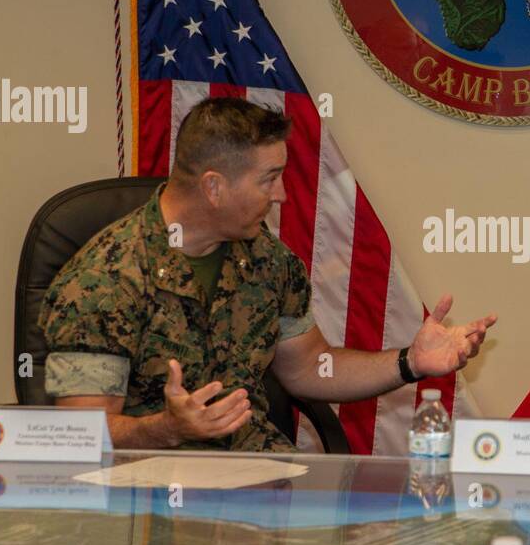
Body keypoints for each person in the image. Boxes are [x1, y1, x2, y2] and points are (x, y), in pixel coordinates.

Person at [40, 97, 496, 451]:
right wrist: (166, 428)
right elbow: (78, 433)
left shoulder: (266, 260)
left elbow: (310, 369)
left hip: (256, 480)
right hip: (148, 499)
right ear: (214, 186)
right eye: (269, 178)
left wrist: (409, 362)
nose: (282, 195)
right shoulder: (104, 279)